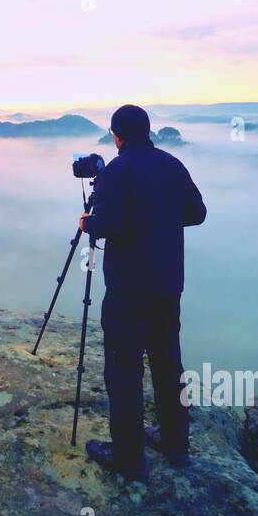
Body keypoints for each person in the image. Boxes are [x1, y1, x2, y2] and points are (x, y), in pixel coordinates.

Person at [78, 104, 206, 479]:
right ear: (147, 131)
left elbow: (109, 224)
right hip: (168, 286)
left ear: (117, 136)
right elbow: (197, 213)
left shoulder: (117, 171)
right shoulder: (172, 164)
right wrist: (160, 215)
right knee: (168, 364)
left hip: (128, 290)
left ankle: (129, 458)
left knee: (124, 369)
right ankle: (175, 443)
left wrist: (89, 223)